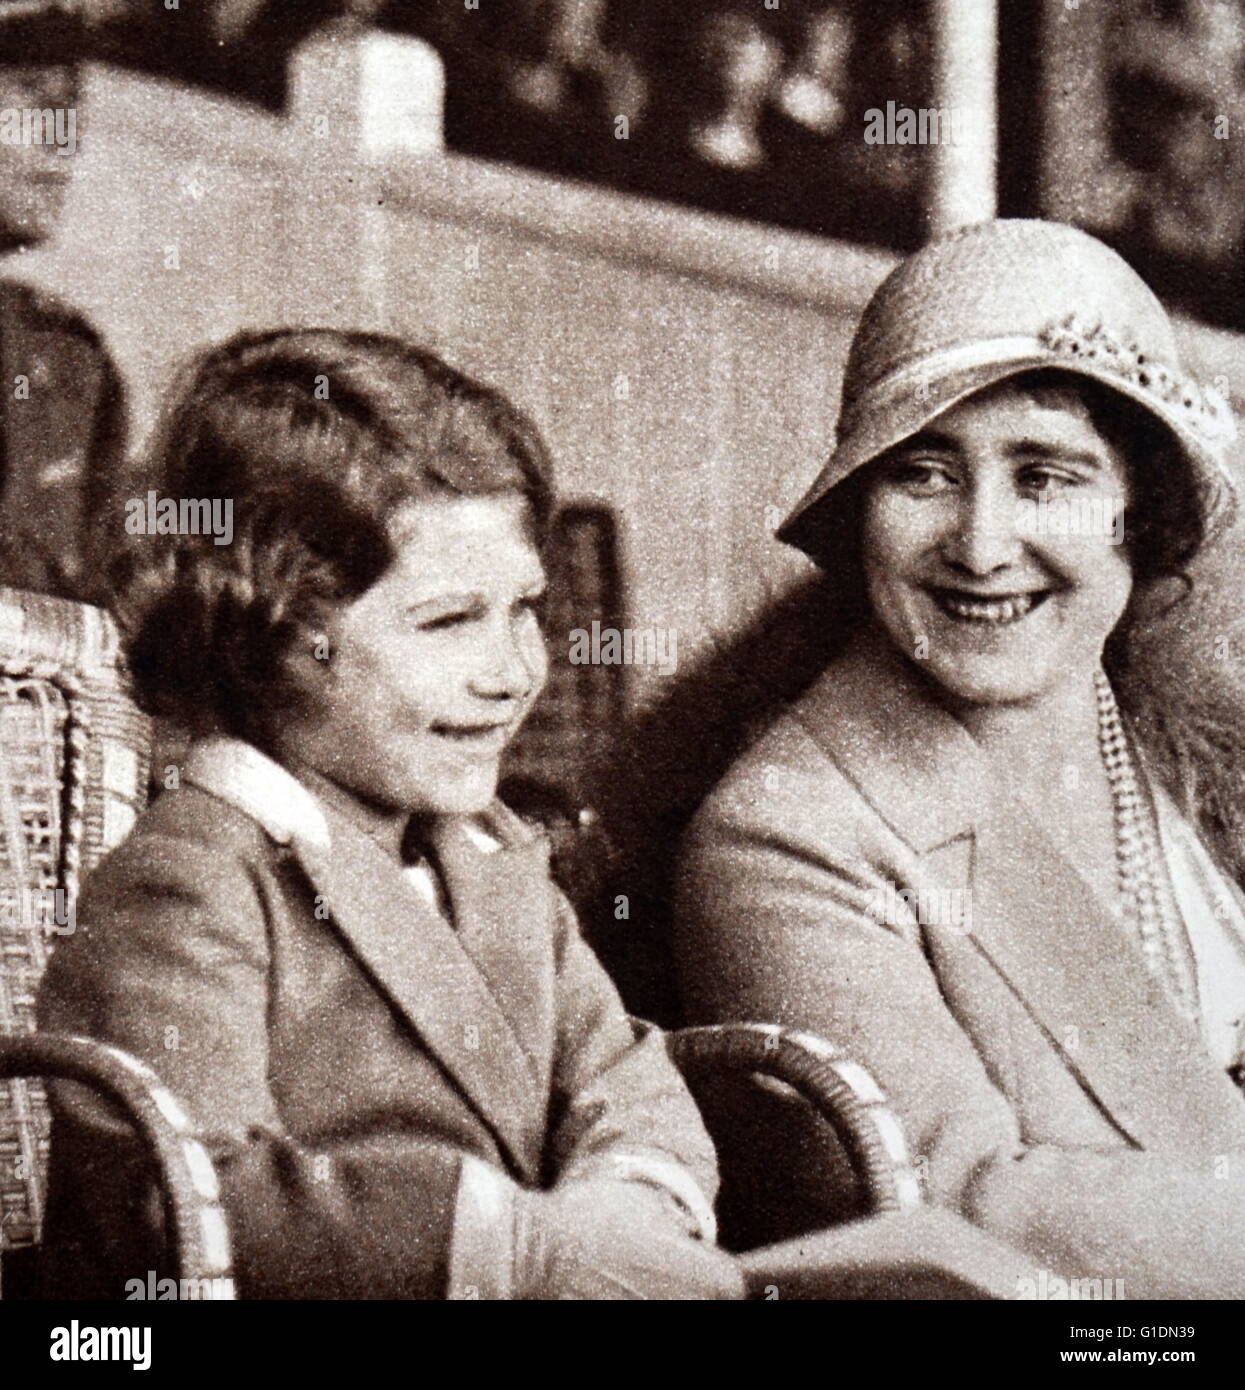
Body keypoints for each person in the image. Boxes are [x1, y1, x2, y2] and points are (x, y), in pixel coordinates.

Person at [38, 327, 743, 1301]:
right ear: (266, 635)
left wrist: (627, 1202)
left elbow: (622, 1074)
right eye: (449, 621)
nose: (512, 673)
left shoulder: (492, 854)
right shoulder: (193, 877)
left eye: (526, 608)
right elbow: (192, 1197)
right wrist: (511, 1244)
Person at [676, 219, 1245, 1300]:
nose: (982, 545)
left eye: (1045, 477)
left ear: (1142, 511)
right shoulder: (783, 834)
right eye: (925, 475)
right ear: (857, 515)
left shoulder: (1188, 740)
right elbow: (960, 1209)